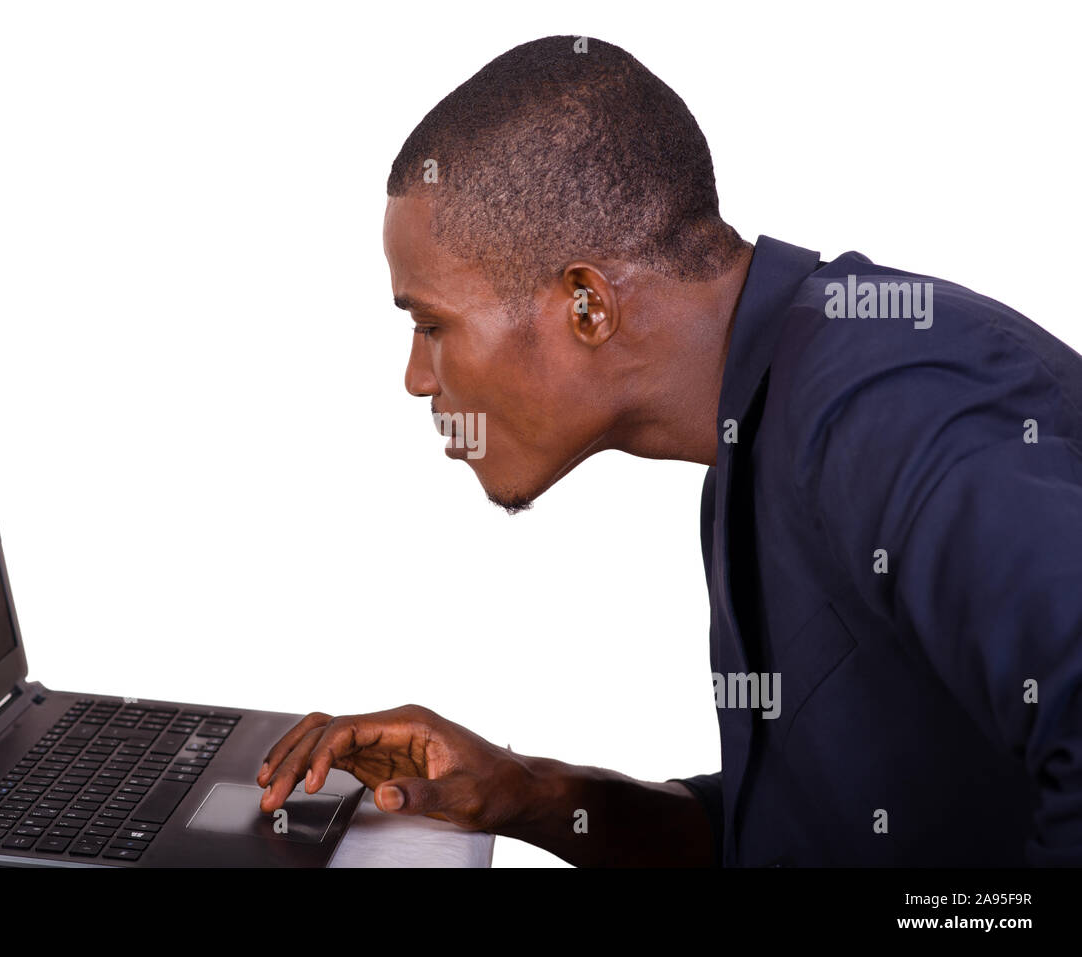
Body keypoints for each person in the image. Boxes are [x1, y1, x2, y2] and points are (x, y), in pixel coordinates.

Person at [259, 35, 1082, 866]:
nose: (415, 378)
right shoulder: (753, 442)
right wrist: (526, 794)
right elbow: (791, 838)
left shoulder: (889, 405)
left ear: (586, 304)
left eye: (431, 324)